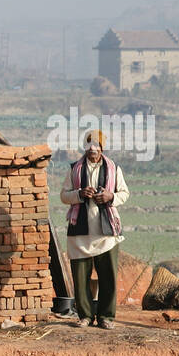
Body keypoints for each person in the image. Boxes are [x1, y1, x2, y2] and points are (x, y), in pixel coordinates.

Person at [59, 129, 130, 329]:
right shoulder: (74, 169)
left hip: (106, 233)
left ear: (102, 148)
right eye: (89, 146)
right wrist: (79, 194)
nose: (93, 150)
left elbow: (124, 193)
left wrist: (110, 197)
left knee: (108, 275)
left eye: (96, 146)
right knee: (81, 277)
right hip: (79, 231)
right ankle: (85, 315)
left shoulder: (114, 168)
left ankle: (107, 316)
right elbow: (64, 196)